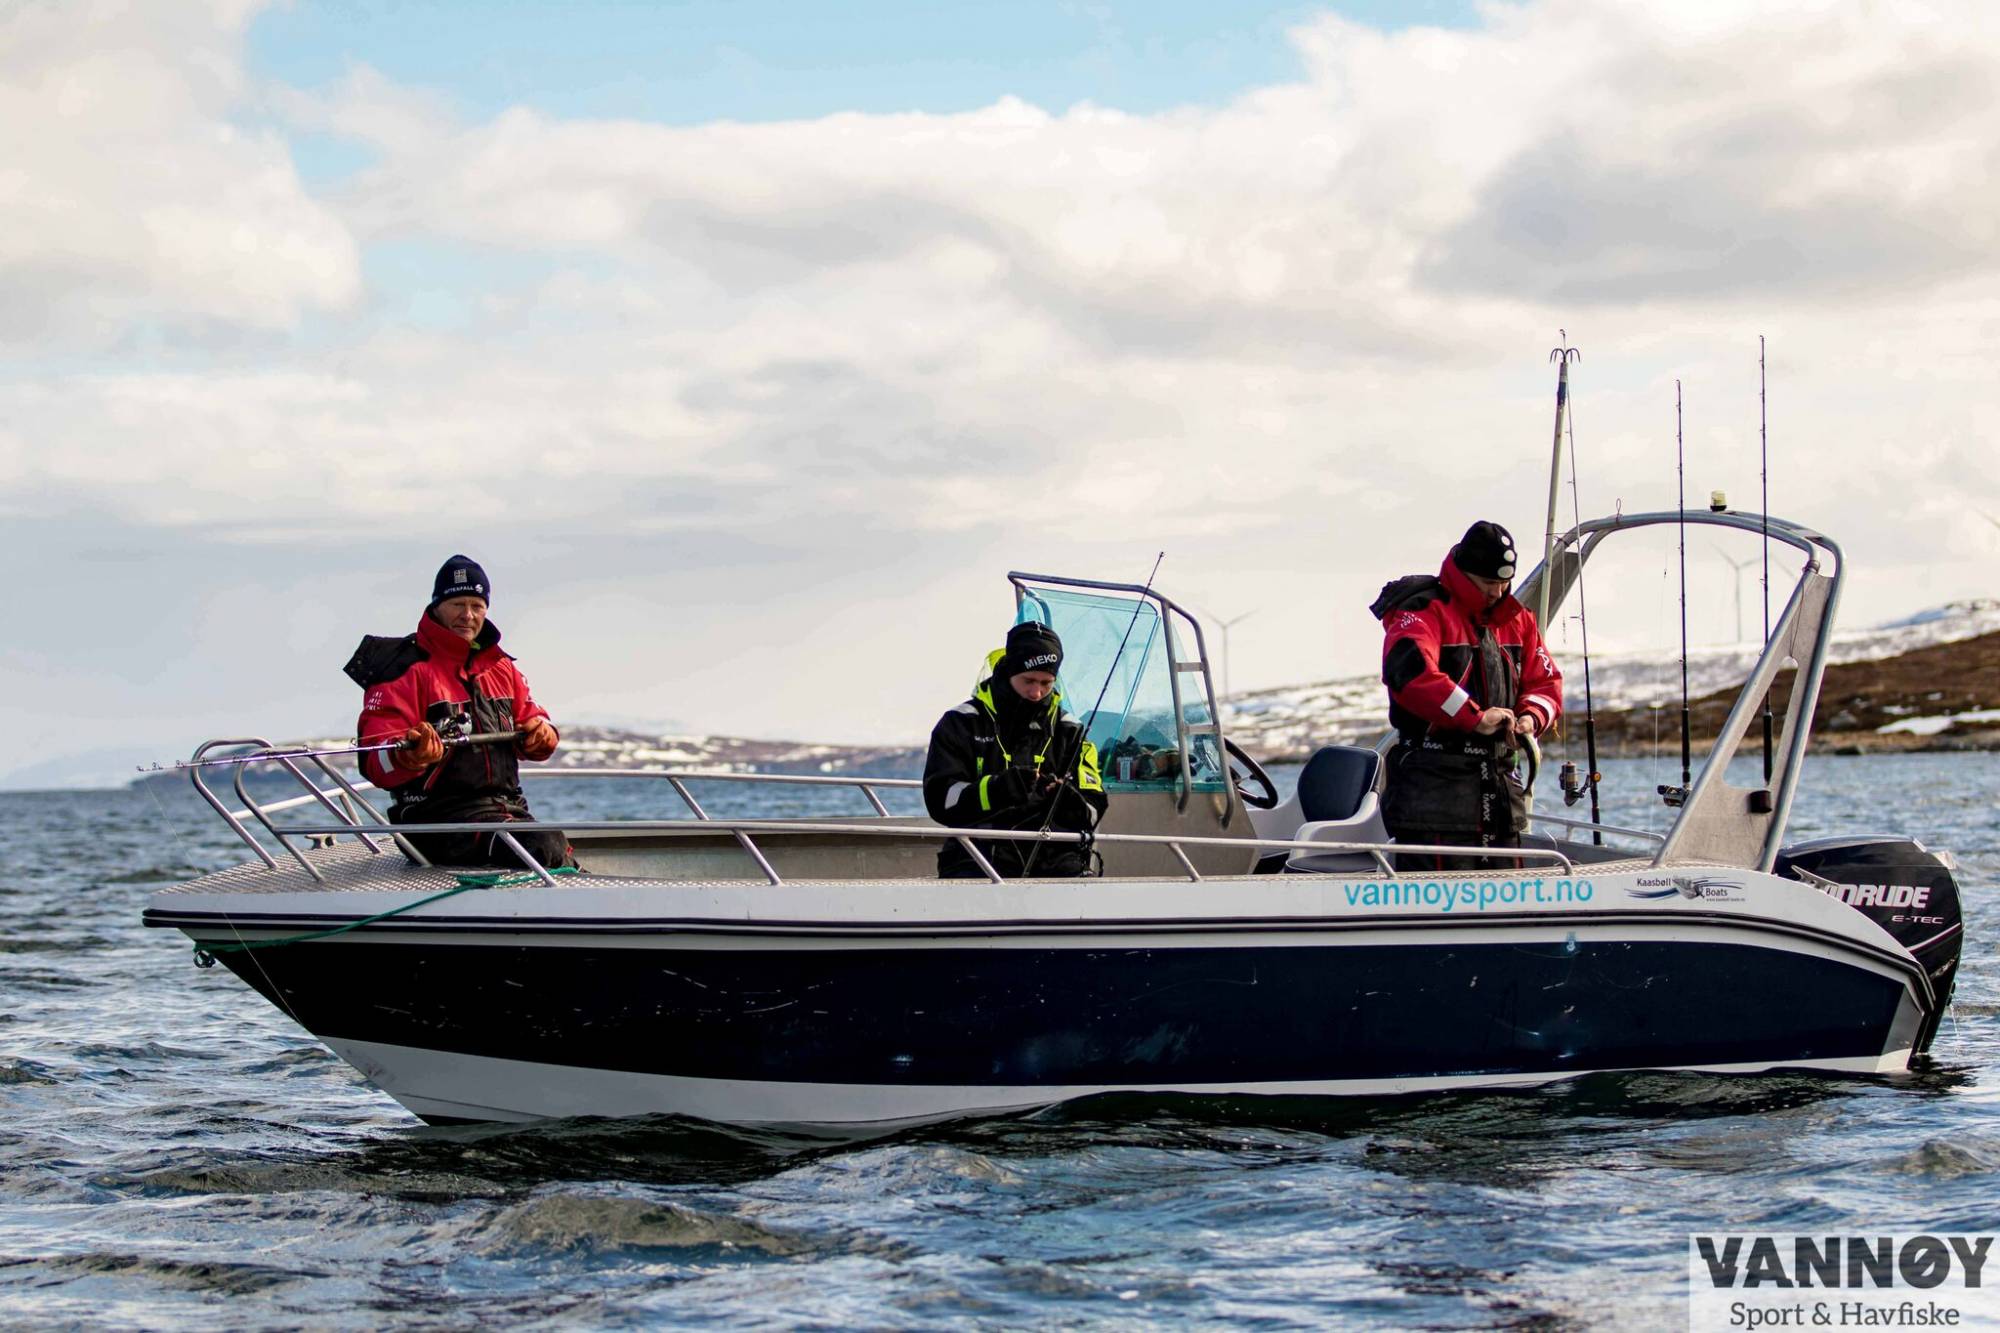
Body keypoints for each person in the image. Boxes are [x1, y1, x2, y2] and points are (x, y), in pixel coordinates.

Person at [344, 554, 573, 870]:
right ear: (437, 606)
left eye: (477, 606)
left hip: (507, 811)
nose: (468, 615)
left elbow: (534, 718)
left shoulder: (501, 666)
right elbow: (373, 759)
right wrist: (408, 755)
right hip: (435, 822)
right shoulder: (404, 669)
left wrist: (543, 735)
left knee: (552, 845)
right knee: (544, 845)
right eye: (458, 604)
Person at [1371, 520, 1564, 870]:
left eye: (1504, 582)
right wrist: (1474, 718)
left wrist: (1530, 719)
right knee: (1433, 912)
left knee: (1511, 906)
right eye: (1489, 582)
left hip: (1501, 793)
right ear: (1464, 573)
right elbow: (1411, 675)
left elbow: (1546, 683)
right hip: (1434, 797)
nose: (1498, 591)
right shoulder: (1422, 612)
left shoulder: (1518, 620)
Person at [923, 620, 1108, 879]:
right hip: (977, 861)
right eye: (1029, 680)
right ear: (1009, 671)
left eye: (1046, 682)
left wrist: (1068, 802)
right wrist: (997, 790)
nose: (1037, 692)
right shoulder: (960, 722)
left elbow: (1095, 806)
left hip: (1057, 865)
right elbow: (940, 799)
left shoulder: (1072, 731)